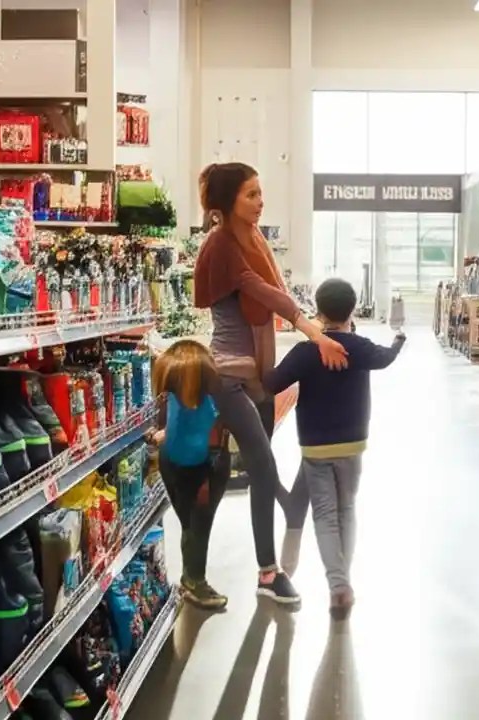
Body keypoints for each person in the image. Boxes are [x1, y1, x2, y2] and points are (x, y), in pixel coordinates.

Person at [194, 162, 348, 607]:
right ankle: (266, 571)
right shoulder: (221, 245)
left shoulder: (254, 240)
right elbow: (263, 292)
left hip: (257, 378)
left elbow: (273, 289)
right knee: (262, 467)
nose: (260, 203)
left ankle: (263, 571)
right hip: (226, 375)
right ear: (227, 202)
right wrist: (314, 331)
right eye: (250, 195)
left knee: (256, 475)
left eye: (261, 194)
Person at [264, 278, 405, 619]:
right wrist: (399, 337)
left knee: (325, 516)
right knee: (347, 511)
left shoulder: (306, 351)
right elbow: (385, 358)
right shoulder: (359, 347)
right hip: (354, 442)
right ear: (352, 309)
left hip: (315, 447)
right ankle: (343, 580)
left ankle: (338, 586)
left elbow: (271, 383)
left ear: (317, 310)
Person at [149, 340, 229, 611]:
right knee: (188, 526)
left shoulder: (211, 403)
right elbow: (170, 420)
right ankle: (190, 578)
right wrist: (161, 435)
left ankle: (196, 579)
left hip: (204, 471)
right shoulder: (174, 394)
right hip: (173, 465)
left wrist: (208, 480)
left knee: (199, 527)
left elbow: (216, 444)